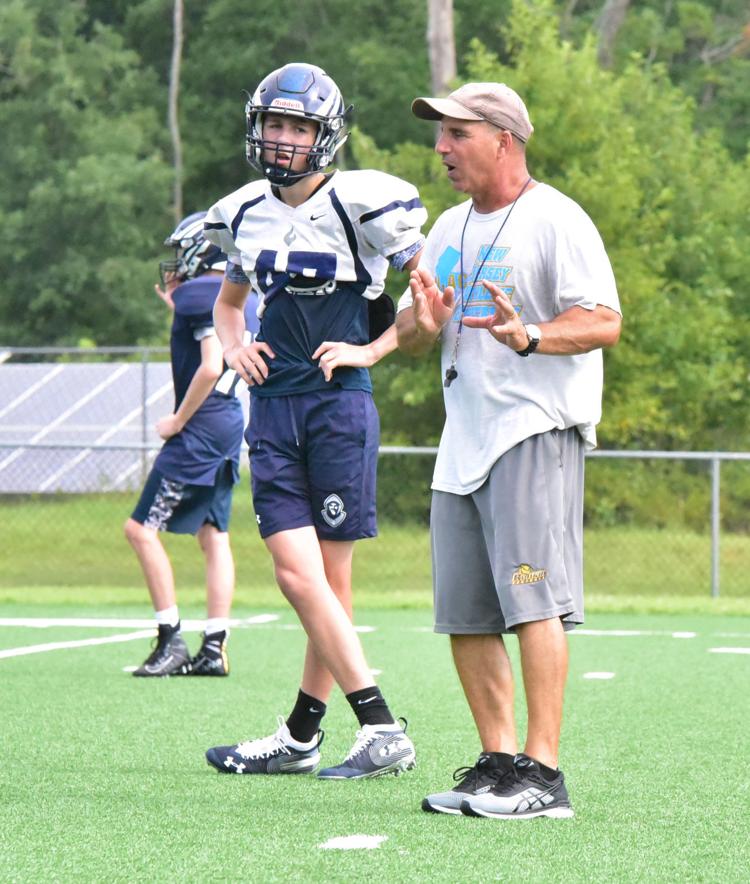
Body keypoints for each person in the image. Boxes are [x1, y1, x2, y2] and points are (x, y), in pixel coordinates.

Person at [396, 82, 622, 817]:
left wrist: (530, 335)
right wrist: (423, 324)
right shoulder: (448, 225)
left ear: (501, 137)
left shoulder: (556, 219)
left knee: (532, 600)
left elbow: (602, 321)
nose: (442, 149)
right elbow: (416, 327)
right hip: (461, 440)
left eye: (456, 134)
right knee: (465, 613)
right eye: (441, 135)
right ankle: (496, 764)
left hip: (532, 431)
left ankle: (543, 775)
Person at [201, 62, 427, 779]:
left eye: (298, 126)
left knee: (320, 580)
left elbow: (432, 298)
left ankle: (343, 730)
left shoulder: (364, 203)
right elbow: (230, 301)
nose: (283, 138)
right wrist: (235, 345)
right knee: (308, 581)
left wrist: (374, 346)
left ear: (325, 135)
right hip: (271, 408)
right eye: (275, 123)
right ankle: (330, 733)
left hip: (337, 405)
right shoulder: (243, 210)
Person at [125, 212, 258, 677]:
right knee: (212, 535)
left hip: (201, 426)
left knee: (140, 529)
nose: (176, 264)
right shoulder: (240, 295)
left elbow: (208, 365)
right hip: (229, 423)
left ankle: (170, 640)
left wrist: (177, 421)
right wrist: (177, 309)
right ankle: (214, 646)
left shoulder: (200, 294)